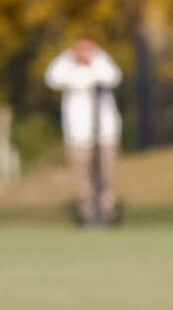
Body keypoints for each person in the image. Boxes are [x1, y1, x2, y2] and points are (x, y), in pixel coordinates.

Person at [44, 38, 123, 226]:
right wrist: (70, 57)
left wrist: (93, 60)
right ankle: (87, 215)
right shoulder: (68, 65)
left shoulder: (102, 62)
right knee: (83, 178)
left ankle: (106, 213)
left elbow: (111, 77)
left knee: (105, 175)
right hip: (78, 134)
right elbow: (52, 78)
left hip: (105, 133)